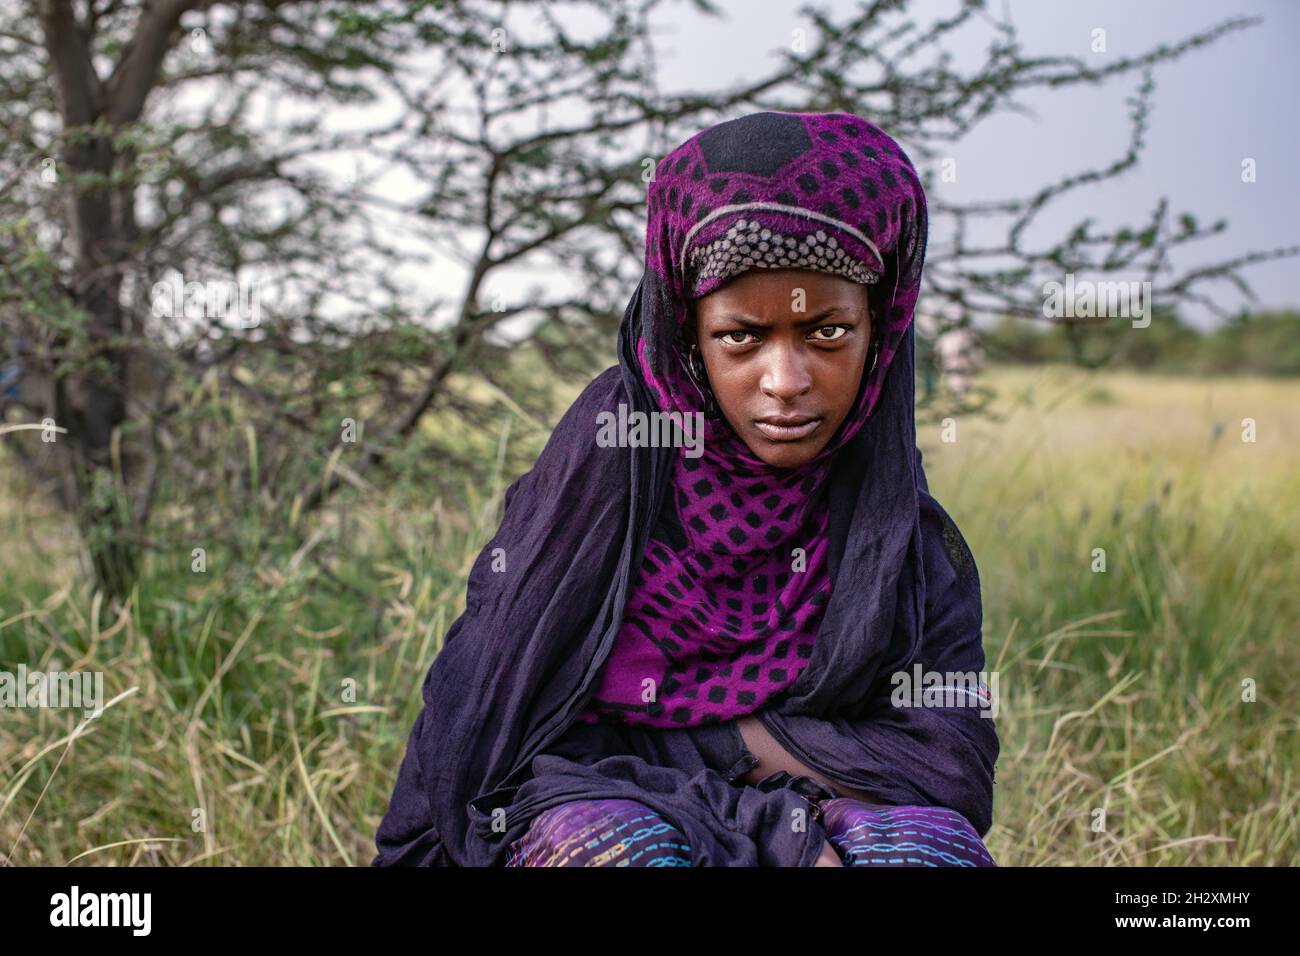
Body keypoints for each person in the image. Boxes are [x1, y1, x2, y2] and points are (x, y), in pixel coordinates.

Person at [373, 111, 999, 867]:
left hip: (811, 818)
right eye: (741, 336)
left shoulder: (889, 505)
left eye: (827, 333)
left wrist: (711, 757)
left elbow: (947, 765)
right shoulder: (610, 471)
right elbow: (489, 758)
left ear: (881, 328)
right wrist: (772, 822)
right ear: (688, 338)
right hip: (620, 821)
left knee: (929, 851)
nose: (786, 383)